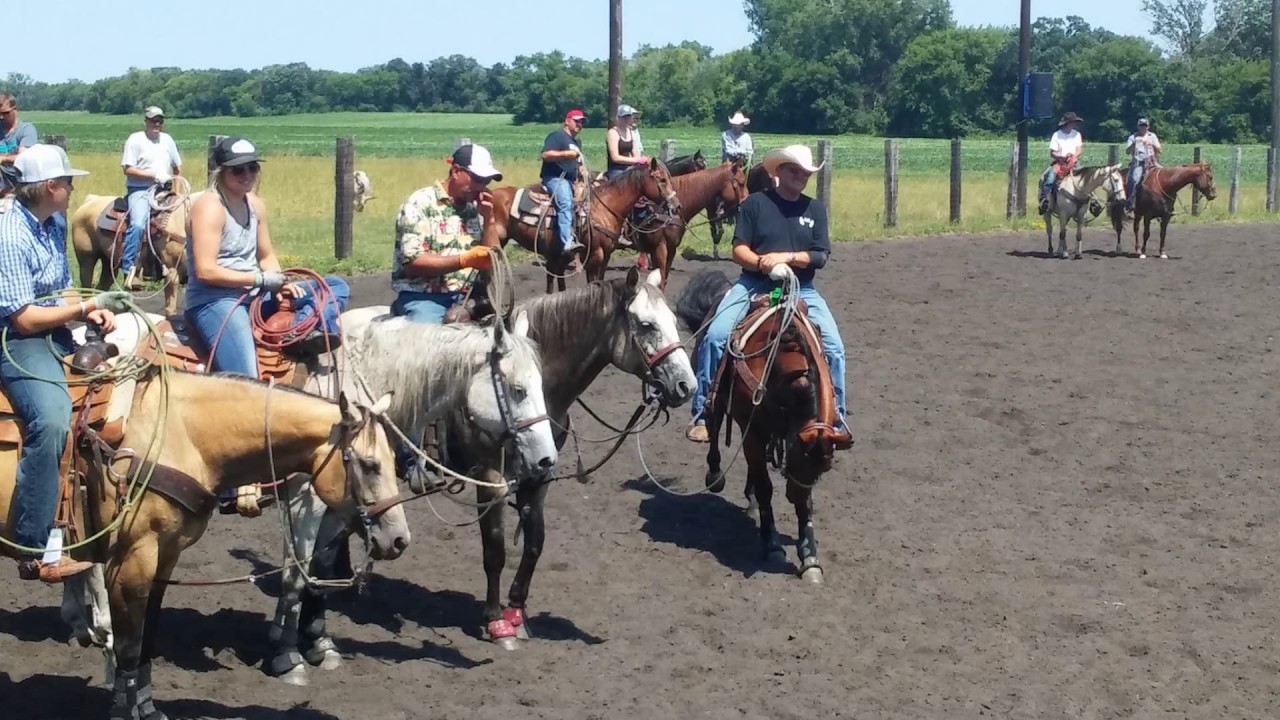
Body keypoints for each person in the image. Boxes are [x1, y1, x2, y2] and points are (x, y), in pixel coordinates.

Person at [0, 144, 131, 582]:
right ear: (51, 187)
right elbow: (23, 316)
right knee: (53, 419)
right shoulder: (10, 236)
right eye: (69, 181)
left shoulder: (51, 222)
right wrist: (83, 308)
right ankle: (34, 545)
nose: (75, 188)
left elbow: (62, 289)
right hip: (15, 339)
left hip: (51, 329)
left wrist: (89, 309)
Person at [686, 145, 850, 448]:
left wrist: (785, 258)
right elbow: (739, 249)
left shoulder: (814, 209)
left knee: (835, 348)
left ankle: (836, 418)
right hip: (754, 284)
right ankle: (703, 414)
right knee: (716, 336)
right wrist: (763, 263)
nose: (800, 176)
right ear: (779, 172)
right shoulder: (754, 205)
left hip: (802, 288)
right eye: (793, 170)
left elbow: (820, 255)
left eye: (804, 172)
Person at [391, 143, 500, 323]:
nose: (482, 187)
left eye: (486, 182)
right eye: (477, 179)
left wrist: (490, 220)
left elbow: (494, 259)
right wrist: (464, 260)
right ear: (456, 171)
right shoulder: (419, 204)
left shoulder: (476, 210)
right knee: (429, 338)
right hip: (424, 297)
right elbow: (413, 263)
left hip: (469, 297)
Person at [120, 106, 182, 290]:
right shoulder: (136, 139)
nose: (157, 124)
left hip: (165, 189)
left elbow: (178, 167)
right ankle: (129, 268)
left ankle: (171, 264)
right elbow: (128, 168)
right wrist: (153, 175)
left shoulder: (167, 140)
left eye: (160, 121)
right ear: (145, 121)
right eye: (153, 120)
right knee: (139, 223)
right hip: (141, 189)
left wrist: (177, 191)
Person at [540, 109, 587, 256]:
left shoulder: (577, 142)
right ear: (567, 121)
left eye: (582, 122)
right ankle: (567, 242)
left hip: (571, 179)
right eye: (576, 121)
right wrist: (566, 154)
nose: (580, 124)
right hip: (555, 178)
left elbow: (578, 163)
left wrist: (583, 172)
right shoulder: (557, 136)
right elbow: (545, 154)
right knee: (566, 203)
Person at [1039, 111, 1084, 214]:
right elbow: (1052, 153)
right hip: (1060, 162)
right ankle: (1044, 199)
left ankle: (1093, 201)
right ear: (1067, 123)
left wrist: (1074, 156)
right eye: (1072, 122)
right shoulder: (1057, 135)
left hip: (1073, 161)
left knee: (1085, 177)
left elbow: (1079, 149)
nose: (1074, 124)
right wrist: (1062, 157)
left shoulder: (1076, 134)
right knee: (1050, 178)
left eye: (1074, 122)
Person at [0, 94, 38, 195]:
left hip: (20, 181)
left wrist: (3, 159)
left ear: (15, 110)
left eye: (5, 113)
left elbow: (24, 157)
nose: (1, 117)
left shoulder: (26, 129)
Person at [1124, 117, 1162, 215]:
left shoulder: (1152, 136)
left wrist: (1151, 144)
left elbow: (1159, 150)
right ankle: (1130, 204)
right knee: (1135, 179)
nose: (1143, 128)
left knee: (1164, 178)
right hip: (1138, 162)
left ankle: (1164, 205)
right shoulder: (1133, 137)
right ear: (1138, 127)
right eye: (1141, 126)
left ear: (1148, 127)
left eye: (1145, 126)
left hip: (1152, 162)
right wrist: (1134, 143)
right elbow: (1127, 151)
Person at [604, 105, 649, 180]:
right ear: (618, 118)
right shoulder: (613, 133)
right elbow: (615, 157)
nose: (626, 119)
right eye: (624, 117)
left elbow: (636, 153)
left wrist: (642, 160)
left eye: (628, 116)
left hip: (630, 168)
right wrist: (636, 160)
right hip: (616, 169)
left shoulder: (631, 132)